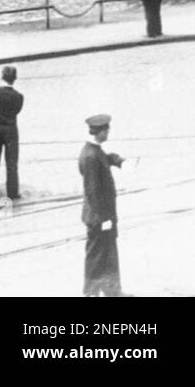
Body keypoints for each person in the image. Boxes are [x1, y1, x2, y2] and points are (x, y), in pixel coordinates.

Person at [79, 113, 125, 297]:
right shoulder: (91, 156)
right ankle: (90, 293)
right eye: (107, 130)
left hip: (104, 214)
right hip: (99, 216)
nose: (109, 133)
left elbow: (106, 158)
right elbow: (92, 191)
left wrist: (119, 161)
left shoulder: (94, 151)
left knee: (109, 253)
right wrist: (103, 218)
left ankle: (112, 290)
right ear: (101, 132)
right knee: (96, 256)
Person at [0, 65, 24, 201]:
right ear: (14, 79)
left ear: (2, 76)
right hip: (10, 131)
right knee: (12, 163)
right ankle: (12, 193)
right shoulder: (18, 96)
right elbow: (17, 111)